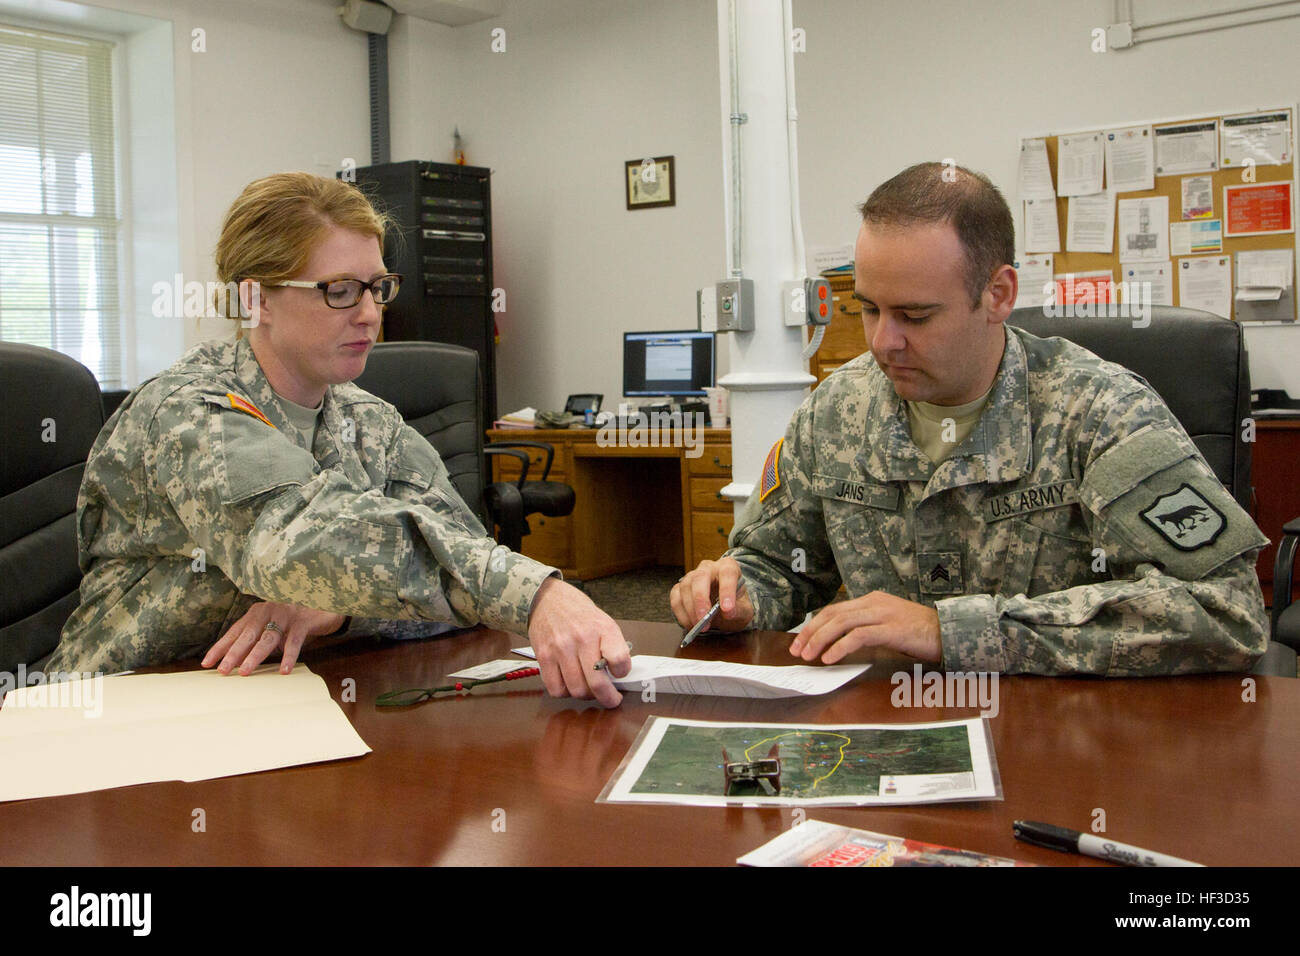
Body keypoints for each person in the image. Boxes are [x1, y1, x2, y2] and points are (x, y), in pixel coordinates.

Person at [46, 172, 630, 706]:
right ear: (257, 298)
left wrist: (336, 613)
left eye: (378, 287)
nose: (372, 314)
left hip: (269, 705)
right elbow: (303, 536)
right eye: (341, 290)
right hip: (119, 715)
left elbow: (460, 583)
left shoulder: (369, 421)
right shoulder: (186, 416)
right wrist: (534, 596)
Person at [671, 162, 1269, 676]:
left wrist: (951, 631)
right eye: (869, 309)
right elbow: (781, 563)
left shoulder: (1099, 413)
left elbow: (1227, 612)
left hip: (1063, 742)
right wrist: (737, 592)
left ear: (999, 294)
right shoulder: (836, 411)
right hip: (888, 730)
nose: (883, 342)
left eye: (915, 315)